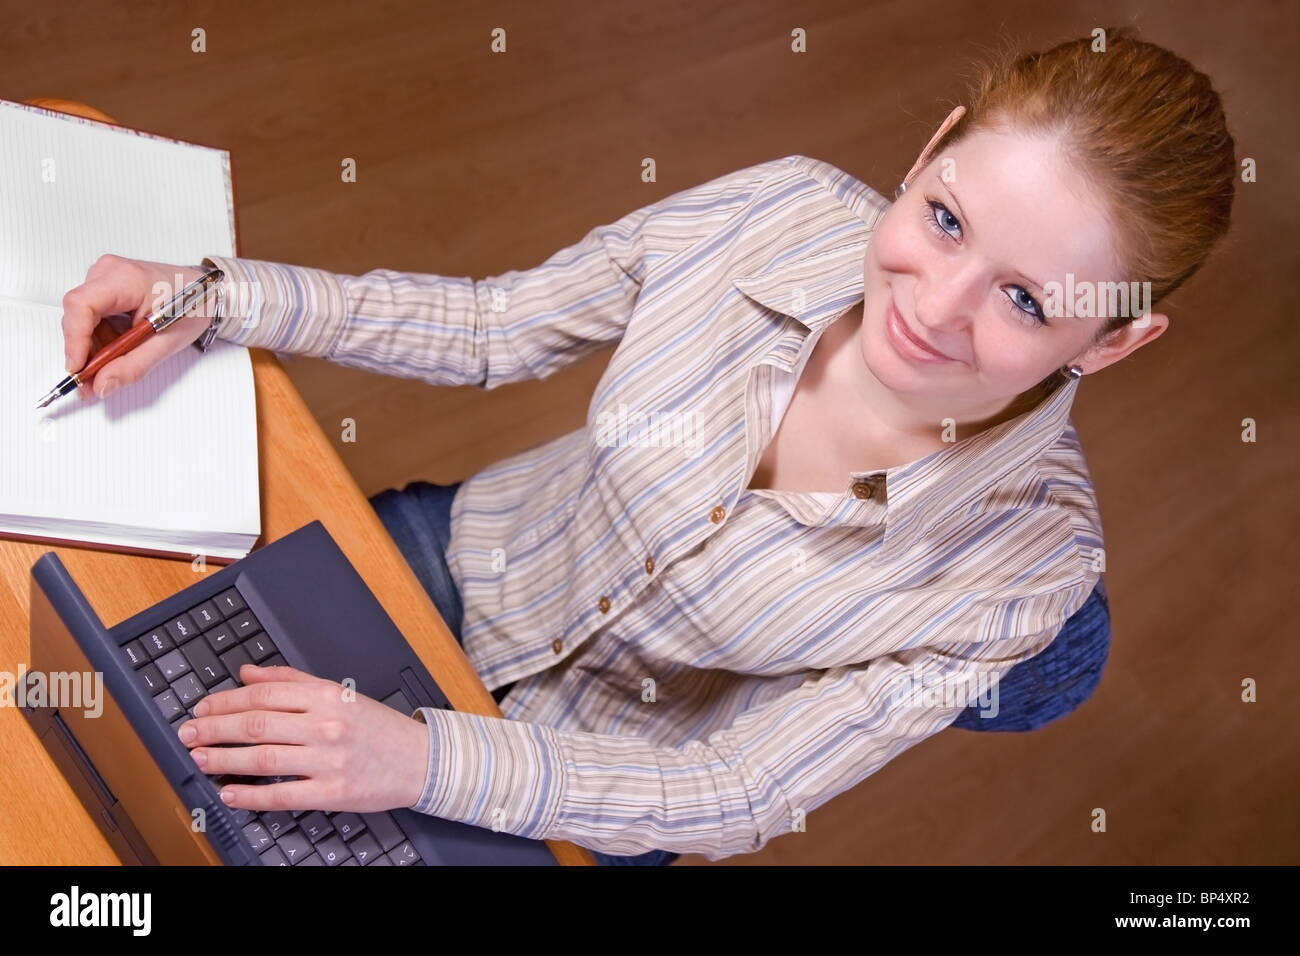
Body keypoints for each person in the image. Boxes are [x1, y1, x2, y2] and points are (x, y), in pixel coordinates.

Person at [59, 27, 1235, 863]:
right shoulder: (774, 207)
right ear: (932, 144)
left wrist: (425, 762)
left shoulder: (1022, 574)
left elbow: (735, 789)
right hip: (463, 561)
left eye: (1026, 299)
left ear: (1119, 339)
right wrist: (220, 295)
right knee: (107, 717)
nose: (932, 308)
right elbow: (493, 325)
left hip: (613, 778)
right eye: (942, 216)